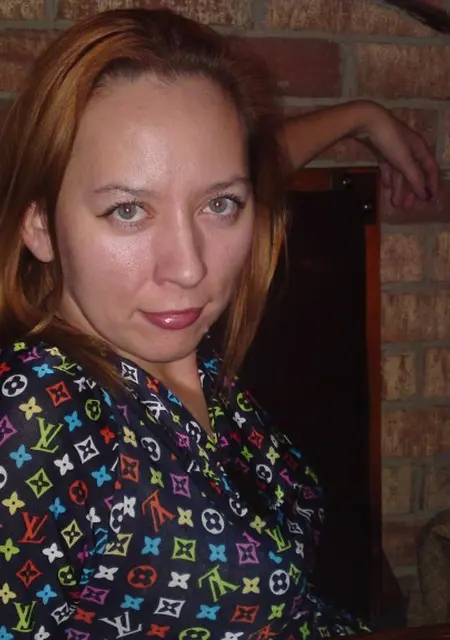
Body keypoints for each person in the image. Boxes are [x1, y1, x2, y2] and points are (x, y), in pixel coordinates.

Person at [0, 8, 438, 640]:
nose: (189, 268)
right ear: (39, 223)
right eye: (128, 210)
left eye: (219, 205)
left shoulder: (176, 353)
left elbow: (245, 169)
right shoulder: (36, 419)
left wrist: (362, 117)